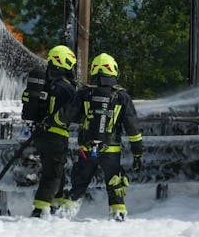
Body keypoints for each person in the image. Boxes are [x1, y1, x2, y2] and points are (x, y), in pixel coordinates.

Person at [54, 52, 144, 221]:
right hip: (111, 151)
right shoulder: (122, 96)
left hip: (87, 150)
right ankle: (118, 215)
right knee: (115, 185)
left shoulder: (84, 93)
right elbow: (132, 127)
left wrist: (54, 118)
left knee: (79, 184)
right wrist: (138, 153)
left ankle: (63, 217)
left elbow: (66, 117)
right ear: (114, 71)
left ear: (94, 70)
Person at [26, 45, 78, 218]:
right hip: (56, 135)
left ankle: (57, 202)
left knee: (57, 170)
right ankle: (40, 209)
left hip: (39, 134)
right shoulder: (66, 87)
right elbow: (74, 113)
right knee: (53, 173)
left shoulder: (45, 85)